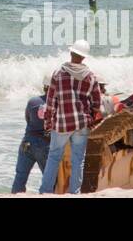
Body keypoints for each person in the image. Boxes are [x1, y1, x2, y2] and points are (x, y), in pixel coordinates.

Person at [39, 40, 103, 194]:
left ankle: (45, 191)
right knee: (78, 160)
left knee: (54, 157)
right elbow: (96, 102)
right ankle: (74, 192)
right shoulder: (91, 77)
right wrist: (91, 118)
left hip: (61, 123)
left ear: (71, 53)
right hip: (82, 123)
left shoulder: (58, 74)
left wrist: (48, 122)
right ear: (84, 57)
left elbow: (50, 102)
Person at [11, 76, 51, 194]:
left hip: (27, 141)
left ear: (44, 87)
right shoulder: (57, 104)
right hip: (45, 144)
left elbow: (28, 119)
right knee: (49, 178)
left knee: (20, 176)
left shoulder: (33, 101)